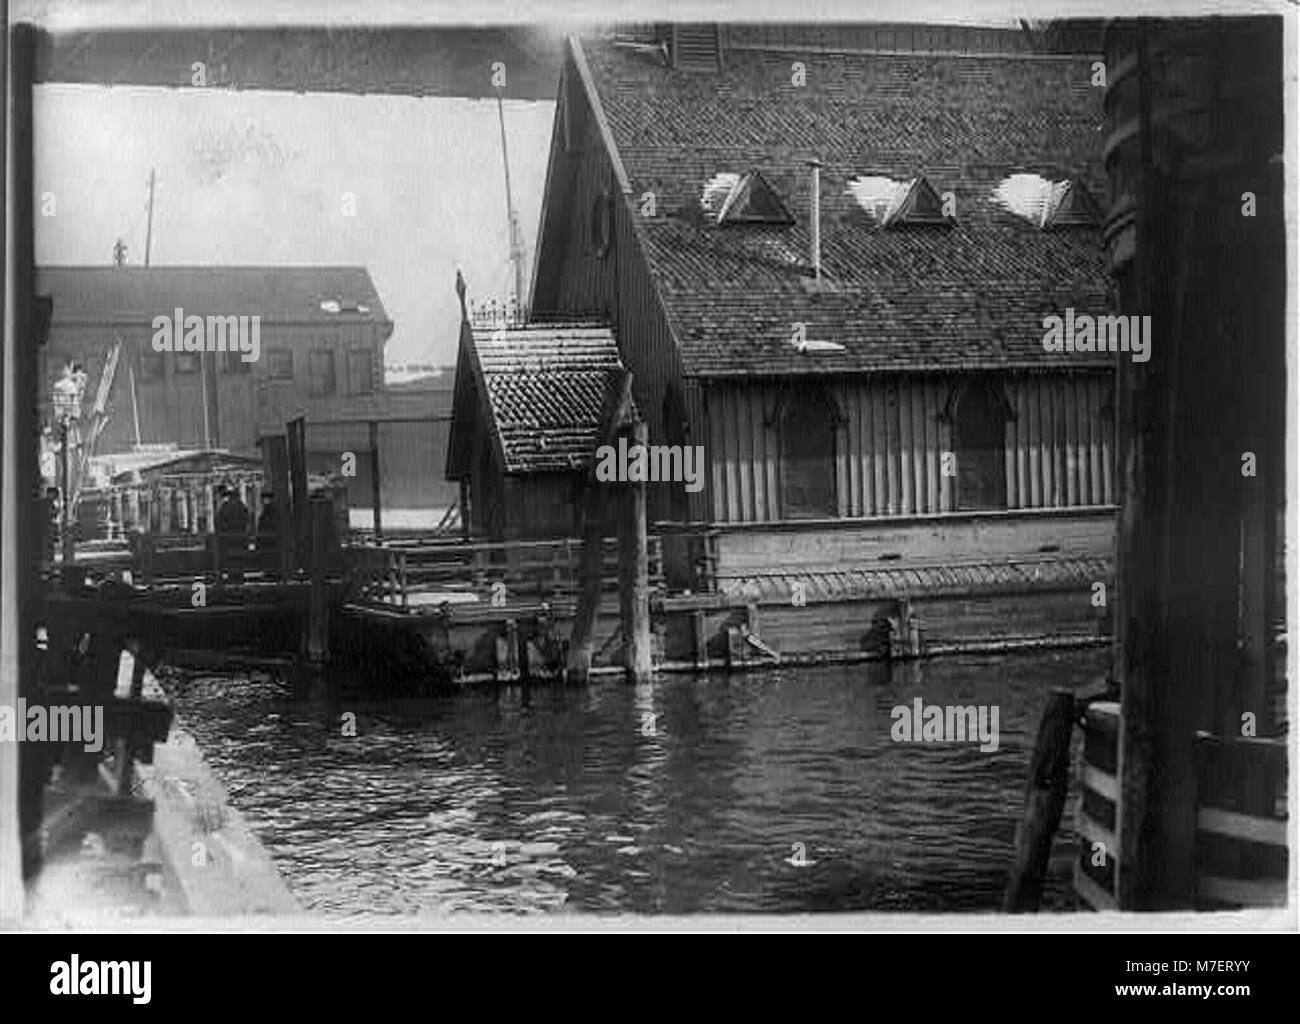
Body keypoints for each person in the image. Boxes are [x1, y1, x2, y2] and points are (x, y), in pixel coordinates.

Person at [215, 484, 251, 580]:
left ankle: (232, 576)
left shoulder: (225, 506)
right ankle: (239, 576)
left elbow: (219, 522)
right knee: (239, 560)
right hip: (240, 538)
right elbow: (247, 521)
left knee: (230, 561)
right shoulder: (242, 506)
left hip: (228, 539)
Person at [255, 490, 281, 576]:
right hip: (269, 537)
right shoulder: (272, 508)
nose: (262, 501)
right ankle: (271, 571)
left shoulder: (269, 509)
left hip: (268, 537)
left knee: (268, 556)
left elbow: (266, 523)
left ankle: (270, 572)